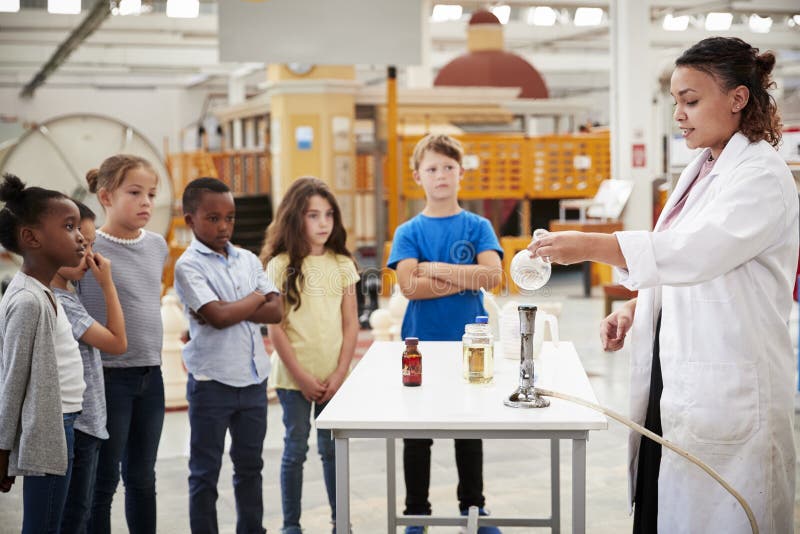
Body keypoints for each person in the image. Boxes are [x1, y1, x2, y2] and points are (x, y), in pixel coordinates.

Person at [528, 37, 797, 533]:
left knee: (723, 513)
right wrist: (635, 309)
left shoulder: (761, 176)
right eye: (675, 101)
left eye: (691, 101)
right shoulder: (702, 168)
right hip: (674, 378)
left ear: (738, 99)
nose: (679, 114)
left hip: (727, 385)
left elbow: (695, 253)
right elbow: (676, 258)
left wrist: (590, 246)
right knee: (660, 507)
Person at [387, 134, 504, 534]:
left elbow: (493, 276)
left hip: (470, 343)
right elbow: (409, 287)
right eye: (432, 168)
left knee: (468, 427)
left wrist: (431, 268)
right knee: (417, 432)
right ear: (418, 176)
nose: (441, 175)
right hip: (419, 342)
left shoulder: (478, 225)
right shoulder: (408, 231)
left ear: (461, 173)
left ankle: (474, 508)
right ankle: (416, 512)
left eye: (448, 168)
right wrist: (466, 278)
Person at [173, 178, 283, 534]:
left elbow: (276, 310)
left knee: (250, 468)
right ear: (190, 220)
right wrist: (254, 298)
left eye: (230, 218)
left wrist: (232, 307)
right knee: (204, 472)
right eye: (213, 218)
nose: (224, 227)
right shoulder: (188, 266)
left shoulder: (247, 259)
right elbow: (218, 319)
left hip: (253, 380)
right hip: (212, 383)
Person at [260, 177, 360, 534]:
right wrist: (301, 376)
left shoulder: (342, 264)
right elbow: (276, 328)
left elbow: (351, 324)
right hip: (293, 379)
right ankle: (291, 526)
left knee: (333, 451)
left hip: (335, 377)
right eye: (313, 215)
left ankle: (340, 522)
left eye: (328, 215)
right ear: (294, 218)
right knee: (295, 449)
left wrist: (340, 373)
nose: (323, 223)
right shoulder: (279, 265)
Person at [77, 155, 169, 534]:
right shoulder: (88, 247)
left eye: (151, 193)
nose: (146, 201)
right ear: (106, 197)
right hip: (108, 378)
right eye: (135, 192)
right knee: (104, 481)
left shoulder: (158, 245)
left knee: (143, 479)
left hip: (152, 376)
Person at [0, 173, 87, 532]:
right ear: (31, 238)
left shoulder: (44, 290)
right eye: (69, 226)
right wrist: (3, 449)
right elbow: (11, 378)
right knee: (43, 526)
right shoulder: (28, 301)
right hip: (48, 429)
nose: (80, 235)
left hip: (63, 420)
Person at [52, 200, 127, 534]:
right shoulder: (62, 301)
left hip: (89, 424)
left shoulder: (68, 294)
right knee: (75, 517)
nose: (90, 256)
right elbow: (117, 342)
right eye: (81, 244)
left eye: (92, 245)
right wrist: (107, 283)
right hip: (79, 428)